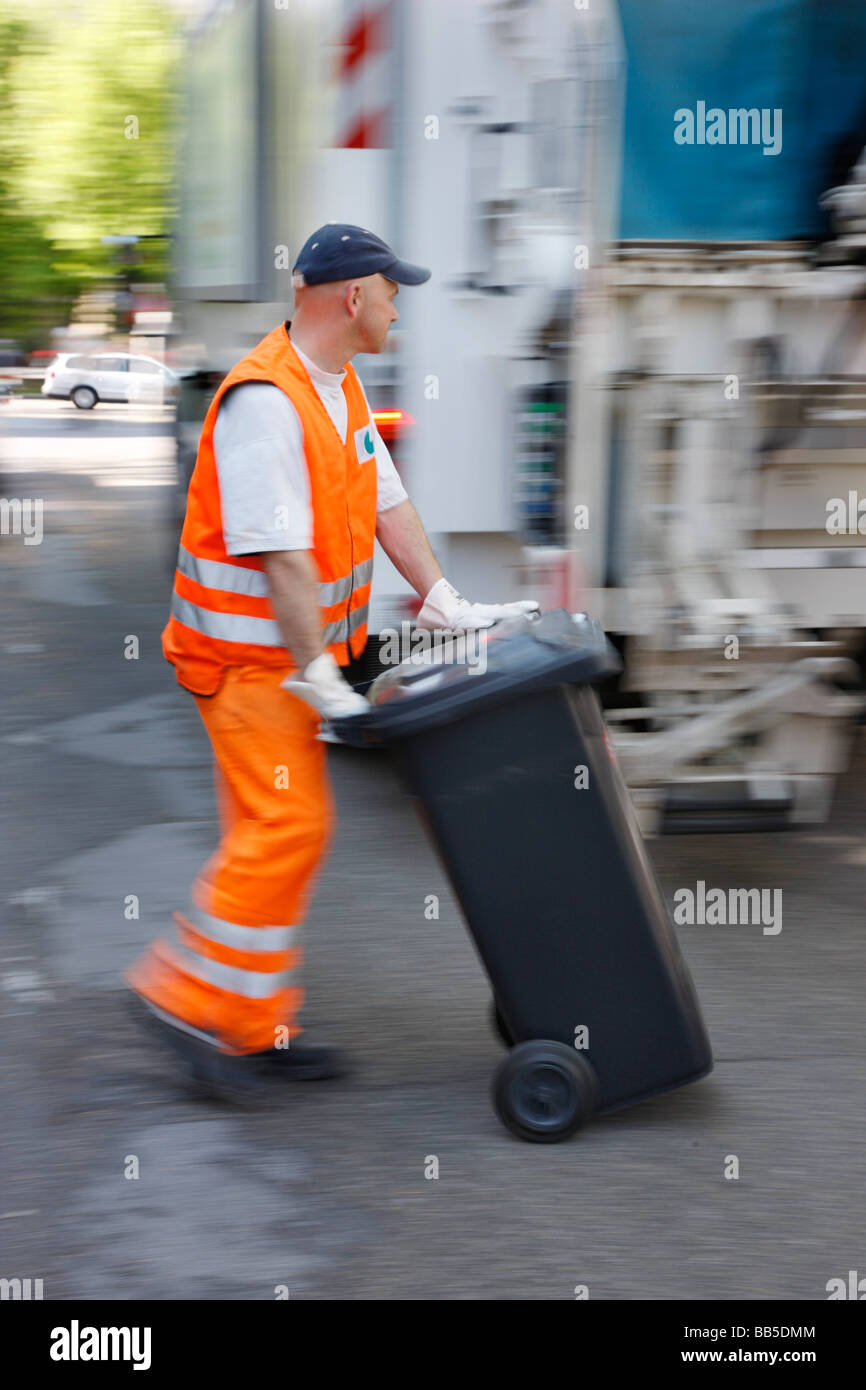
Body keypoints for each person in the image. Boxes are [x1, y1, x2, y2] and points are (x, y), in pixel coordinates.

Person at [126, 223, 538, 1098]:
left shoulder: (336, 386)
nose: (398, 308)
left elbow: (387, 504)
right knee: (288, 830)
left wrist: (443, 599)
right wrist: (321, 676)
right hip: (246, 668)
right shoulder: (265, 403)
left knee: (276, 835)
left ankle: (248, 1024)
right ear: (353, 298)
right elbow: (281, 558)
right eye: (393, 293)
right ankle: (178, 994)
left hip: (285, 667)